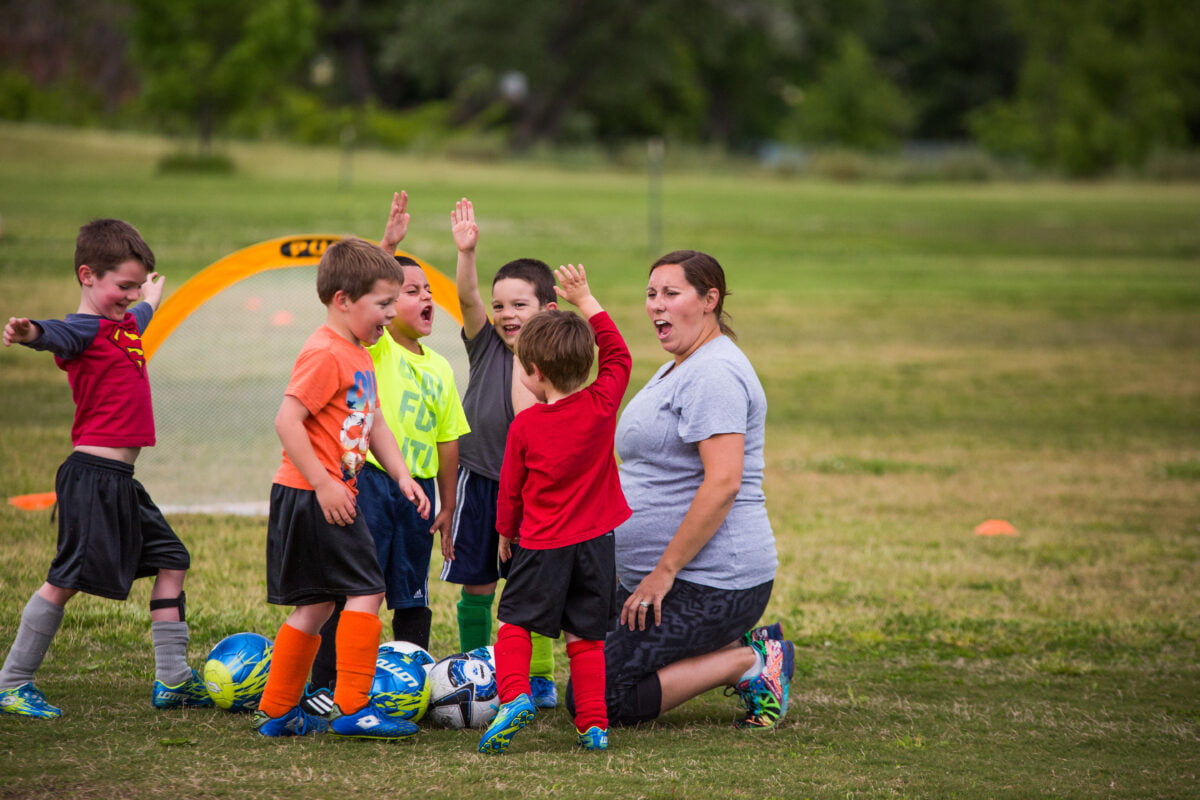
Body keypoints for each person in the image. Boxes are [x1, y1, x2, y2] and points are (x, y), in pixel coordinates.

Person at [0, 219, 210, 718]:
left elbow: (140, 312)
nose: (131, 294)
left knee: (172, 560)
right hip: (91, 477)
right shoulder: (83, 329)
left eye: (137, 284)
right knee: (66, 578)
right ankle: (12, 681)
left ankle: (174, 679)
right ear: (87, 275)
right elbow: (54, 333)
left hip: (121, 481)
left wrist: (150, 295)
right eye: (123, 285)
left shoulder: (124, 323)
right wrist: (29, 332)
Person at [595, 249, 794, 730]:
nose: (656, 306)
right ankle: (724, 647)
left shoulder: (714, 373)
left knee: (604, 700)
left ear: (710, 300)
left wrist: (664, 571)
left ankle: (751, 660)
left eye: (670, 294)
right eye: (650, 294)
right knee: (591, 676)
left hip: (711, 582)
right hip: (668, 578)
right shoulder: (682, 363)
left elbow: (724, 483)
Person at [253, 237, 430, 739]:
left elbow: (374, 425)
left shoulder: (360, 352)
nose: (391, 314)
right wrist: (326, 485)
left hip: (317, 493)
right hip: (316, 495)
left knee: (316, 604)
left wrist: (400, 476)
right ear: (343, 301)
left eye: (394, 303)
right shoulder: (326, 353)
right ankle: (354, 707)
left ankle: (280, 711)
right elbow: (287, 420)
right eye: (383, 304)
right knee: (368, 591)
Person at [312, 192, 470, 688]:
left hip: (417, 492)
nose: (425, 298)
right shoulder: (374, 349)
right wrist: (385, 246)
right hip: (373, 485)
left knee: (412, 591)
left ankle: (410, 685)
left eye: (428, 291)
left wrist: (446, 505)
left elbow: (449, 441)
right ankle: (328, 682)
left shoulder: (441, 366)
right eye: (408, 291)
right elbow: (356, 297)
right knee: (360, 588)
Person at [477, 264, 631, 755]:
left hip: (542, 546)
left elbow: (513, 491)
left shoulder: (528, 427)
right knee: (586, 638)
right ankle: (593, 725)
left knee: (514, 626)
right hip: (597, 547)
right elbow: (620, 355)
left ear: (535, 372)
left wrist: (505, 532)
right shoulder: (603, 404)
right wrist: (587, 300)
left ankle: (515, 695)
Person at [445, 198, 559, 708]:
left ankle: (538, 676)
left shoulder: (558, 358)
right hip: (480, 478)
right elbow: (466, 296)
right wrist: (466, 253)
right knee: (477, 583)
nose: (507, 314)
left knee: (531, 589)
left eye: (520, 305)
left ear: (548, 311)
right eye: (501, 305)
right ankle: (477, 672)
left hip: (533, 490)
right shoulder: (486, 343)